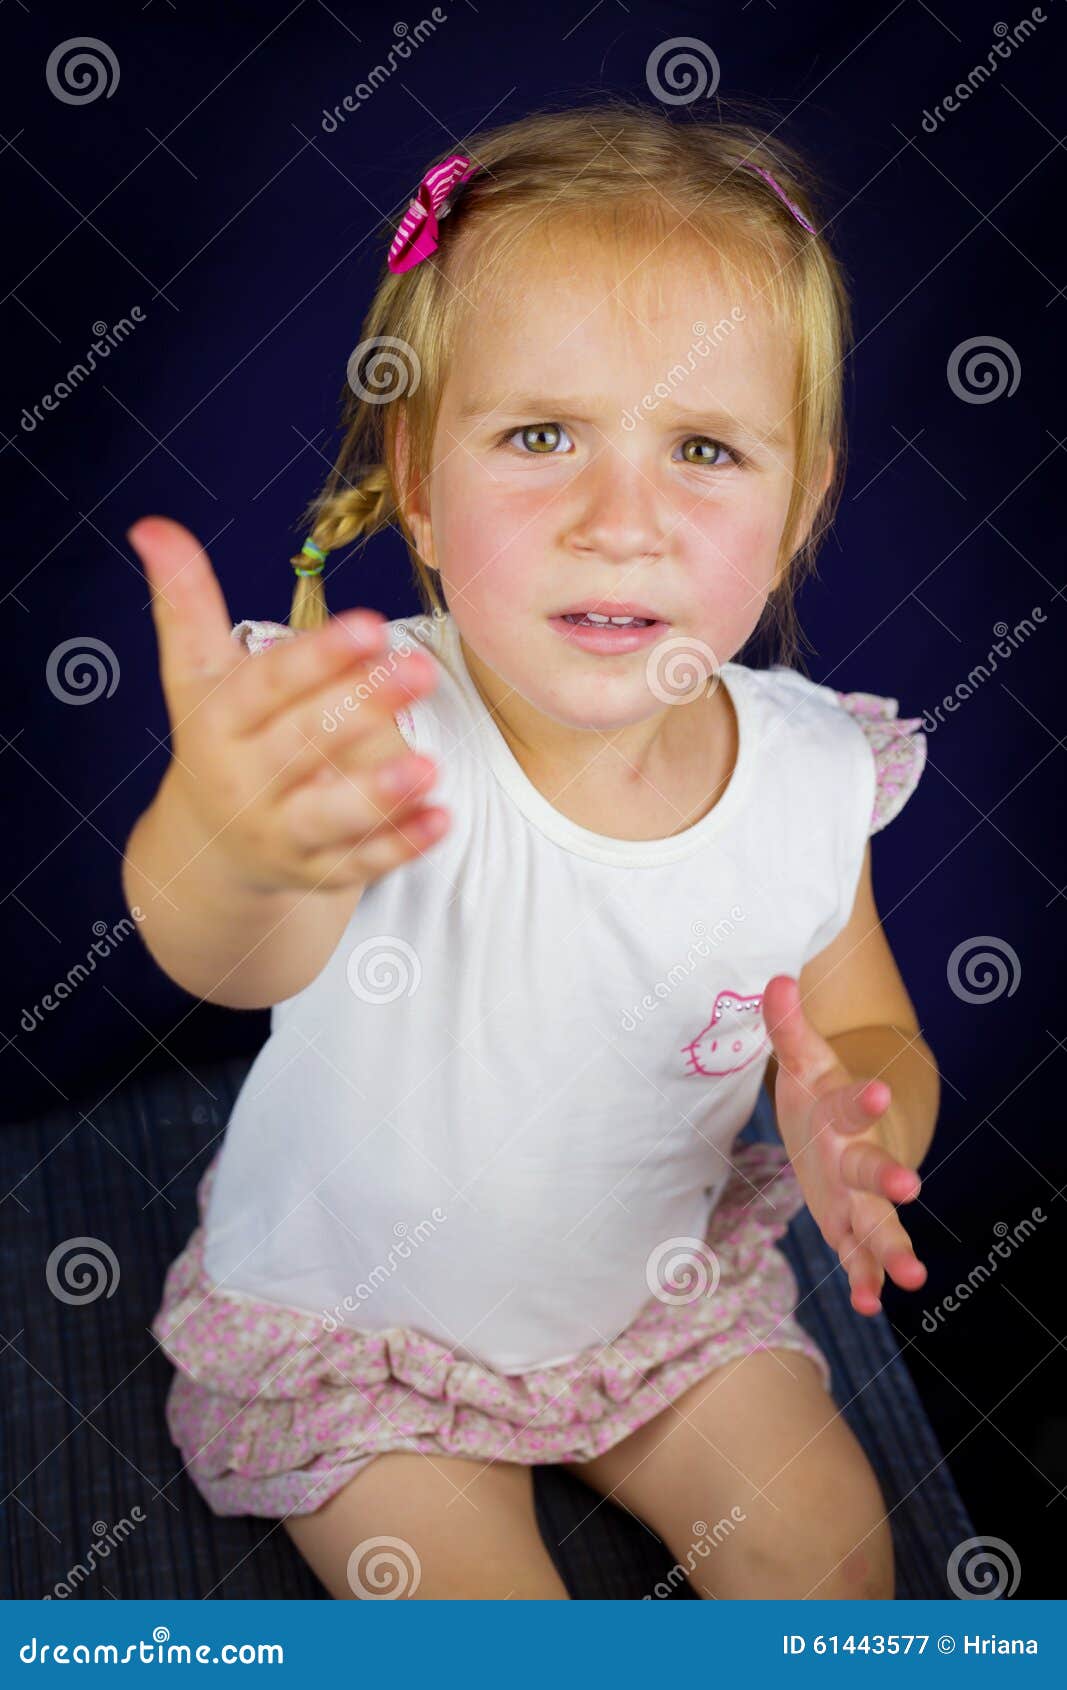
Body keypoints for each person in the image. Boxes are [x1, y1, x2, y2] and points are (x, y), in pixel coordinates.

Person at [122, 100, 938, 1601]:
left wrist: (867, 1125)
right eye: (542, 435)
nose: (618, 518)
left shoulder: (816, 773)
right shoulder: (379, 731)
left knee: (835, 1559)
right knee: (497, 1630)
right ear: (420, 480)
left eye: (702, 447)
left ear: (802, 499)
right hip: (360, 1331)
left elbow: (864, 1012)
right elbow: (228, 947)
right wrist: (233, 843)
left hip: (655, 1302)